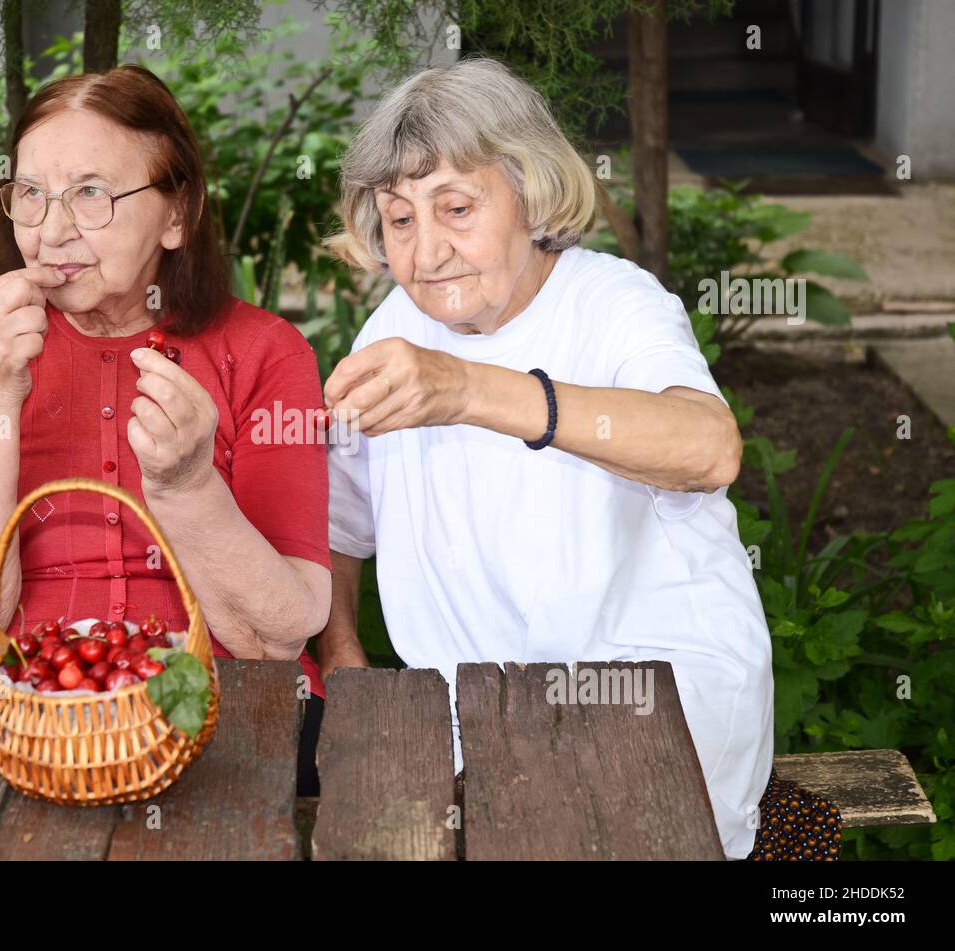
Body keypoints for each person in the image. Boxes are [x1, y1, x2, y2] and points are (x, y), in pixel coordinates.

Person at [317, 56, 840, 860]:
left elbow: (710, 446)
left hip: (655, 704)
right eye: (400, 220)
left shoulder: (613, 303)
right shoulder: (388, 331)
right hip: (477, 729)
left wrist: (468, 389)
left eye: (456, 207)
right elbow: (339, 526)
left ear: (527, 191)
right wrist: (346, 662)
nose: (427, 252)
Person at [0, 65, 331, 794]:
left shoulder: (266, 351)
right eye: (30, 194)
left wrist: (190, 486)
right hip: (4, 710)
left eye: (91, 194)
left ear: (176, 214)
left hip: (216, 707)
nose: (50, 230)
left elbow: (276, 635)